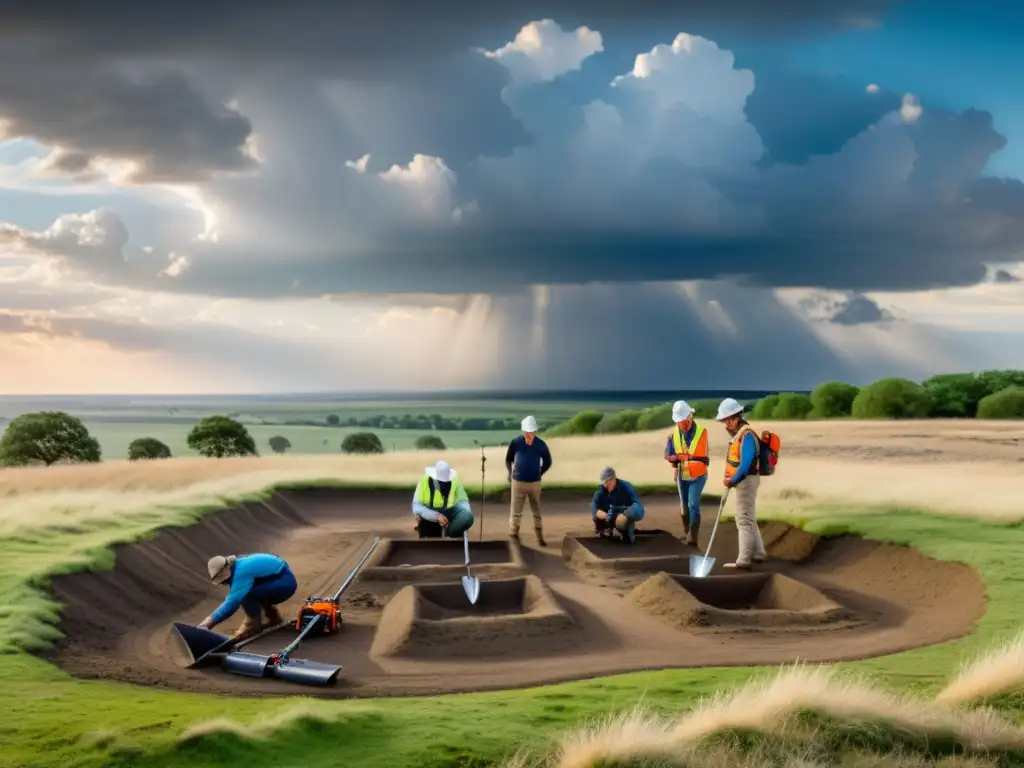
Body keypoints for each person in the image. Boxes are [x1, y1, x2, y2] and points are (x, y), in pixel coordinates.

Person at [715, 397, 766, 569]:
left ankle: (743, 561)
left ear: (734, 418)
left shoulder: (747, 434)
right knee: (749, 517)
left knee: (743, 519)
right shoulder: (742, 433)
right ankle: (759, 553)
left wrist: (733, 480)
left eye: (726, 421)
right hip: (745, 480)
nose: (725, 425)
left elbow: (746, 462)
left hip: (746, 481)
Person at [197, 552, 297, 640]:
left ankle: (253, 624)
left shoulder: (241, 572)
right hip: (281, 577)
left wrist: (207, 624)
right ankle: (273, 617)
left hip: (285, 583)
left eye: (224, 581)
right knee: (253, 590)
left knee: (247, 594)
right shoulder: (238, 564)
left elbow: (232, 603)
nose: (224, 583)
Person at [663, 400, 709, 546]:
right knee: (684, 506)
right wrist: (676, 460)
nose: (680, 425)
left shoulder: (702, 432)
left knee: (693, 504)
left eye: (682, 421)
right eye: (678, 422)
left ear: (689, 417)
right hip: (683, 475)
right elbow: (667, 454)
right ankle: (687, 533)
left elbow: (703, 454)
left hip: (698, 475)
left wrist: (686, 457)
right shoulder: (673, 435)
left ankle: (693, 537)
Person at [505, 415, 552, 546]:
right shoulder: (516, 443)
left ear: (535, 432)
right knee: (516, 510)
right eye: (527, 432)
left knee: (536, 510)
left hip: (535, 483)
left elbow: (548, 461)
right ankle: (514, 534)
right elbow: (508, 459)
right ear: (523, 431)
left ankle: (539, 537)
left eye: (532, 432)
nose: (529, 434)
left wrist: (540, 472)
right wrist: (510, 473)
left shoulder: (541, 445)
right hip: (518, 481)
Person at [412, 459, 475, 538]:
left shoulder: (455, 480)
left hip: (450, 511)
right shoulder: (423, 482)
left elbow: (463, 501)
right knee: (427, 526)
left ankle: (450, 536)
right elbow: (417, 506)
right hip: (430, 513)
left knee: (466, 517)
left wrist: (461, 517)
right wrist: (436, 516)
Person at [591, 466, 645, 544]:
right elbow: (594, 508)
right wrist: (607, 516)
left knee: (629, 540)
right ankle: (606, 529)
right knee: (597, 516)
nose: (606, 485)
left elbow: (638, 507)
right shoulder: (601, 490)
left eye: (608, 481)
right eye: (605, 482)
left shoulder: (626, 486)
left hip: (624, 514)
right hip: (610, 516)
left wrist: (625, 514)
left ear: (614, 478)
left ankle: (624, 530)